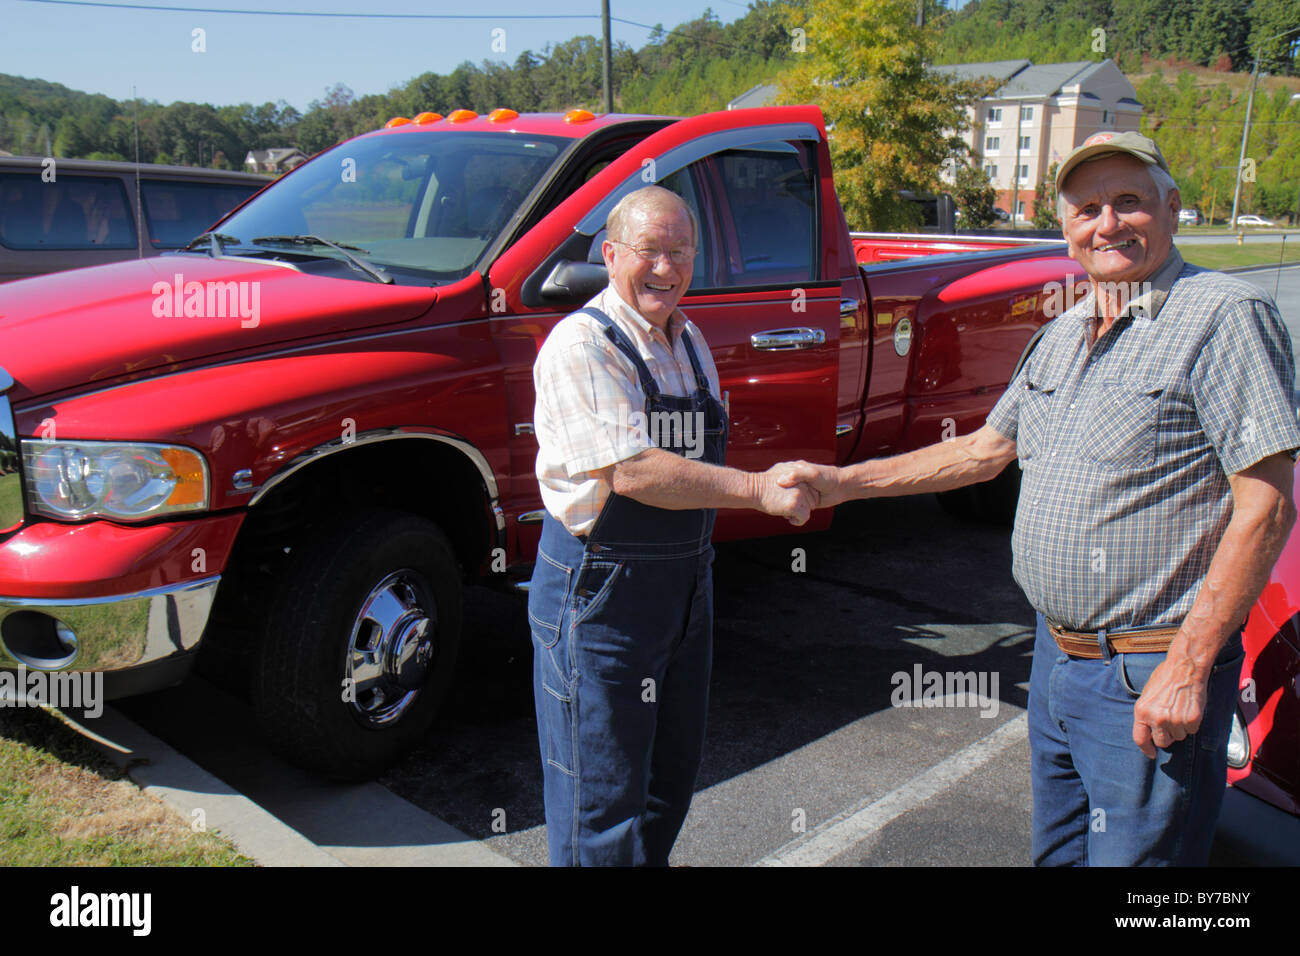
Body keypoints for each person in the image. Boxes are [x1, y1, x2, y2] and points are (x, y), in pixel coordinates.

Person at [780, 131, 1300, 865]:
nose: (1107, 223)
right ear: (1066, 230)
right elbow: (983, 451)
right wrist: (842, 482)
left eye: (1129, 202)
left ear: (1174, 209)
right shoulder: (1060, 333)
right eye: (1087, 208)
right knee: (1057, 857)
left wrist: (1188, 666)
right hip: (1058, 660)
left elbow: (1267, 506)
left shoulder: (1221, 316)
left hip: (1148, 670)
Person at [530, 185, 815, 866]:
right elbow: (631, 470)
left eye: (680, 252)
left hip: (686, 590)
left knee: (668, 785)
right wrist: (758, 490)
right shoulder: (582, 345)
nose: (666, 267)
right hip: (603, 596)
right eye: (650, 251)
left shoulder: (689, 342)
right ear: (611, 253)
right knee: (599, 805)